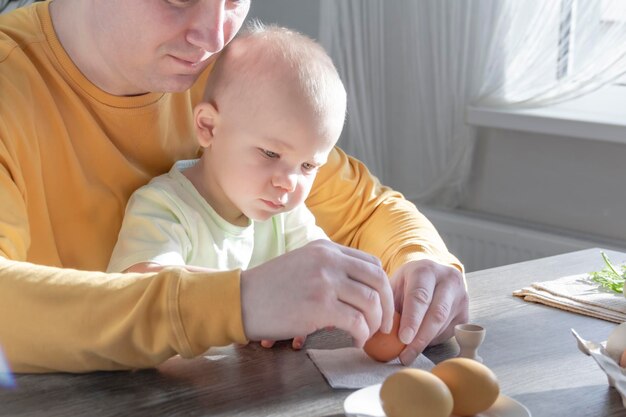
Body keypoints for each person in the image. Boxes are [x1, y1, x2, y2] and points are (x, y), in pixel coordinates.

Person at [0, 0, 468, 373]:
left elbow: (366, 209)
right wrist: (240, 302)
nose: (215, 35)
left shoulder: (216, 70)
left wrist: (420, 259)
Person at [107, 23, 346, 350]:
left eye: (308, 166)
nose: (288, 182)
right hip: (174, 393)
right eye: (270, 153)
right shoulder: (166, 206)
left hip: (252, 388)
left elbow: (328, 270)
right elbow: (140, 290)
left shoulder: (286, 216)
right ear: (208, 127)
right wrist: (247, 299)